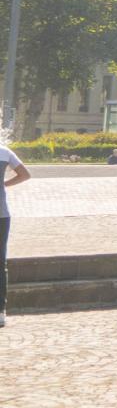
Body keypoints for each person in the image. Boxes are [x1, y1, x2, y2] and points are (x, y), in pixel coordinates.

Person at [1, 140, 32, 327]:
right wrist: (3, 183)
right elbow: (25, 174)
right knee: (0, 262)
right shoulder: (4, 151)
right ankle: (1, 310)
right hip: (2, 215)